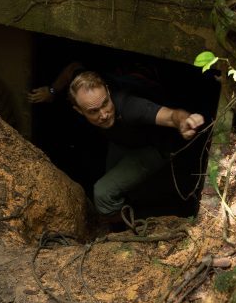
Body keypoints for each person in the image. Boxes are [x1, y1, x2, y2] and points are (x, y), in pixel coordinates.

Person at [29, 66, 204, 218]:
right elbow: (71, 69)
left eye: (105, 103)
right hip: (122, 141)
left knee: (103, 193)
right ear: (79, 110)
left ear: (107, 90)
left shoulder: (129, 107)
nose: (104, 114)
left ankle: (122, 233)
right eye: (93, 111)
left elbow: (170, 116)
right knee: (113, 181)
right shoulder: (82, 82)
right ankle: (125, 207)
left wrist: (185, 121)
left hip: (154, 148)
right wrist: (52, 91)